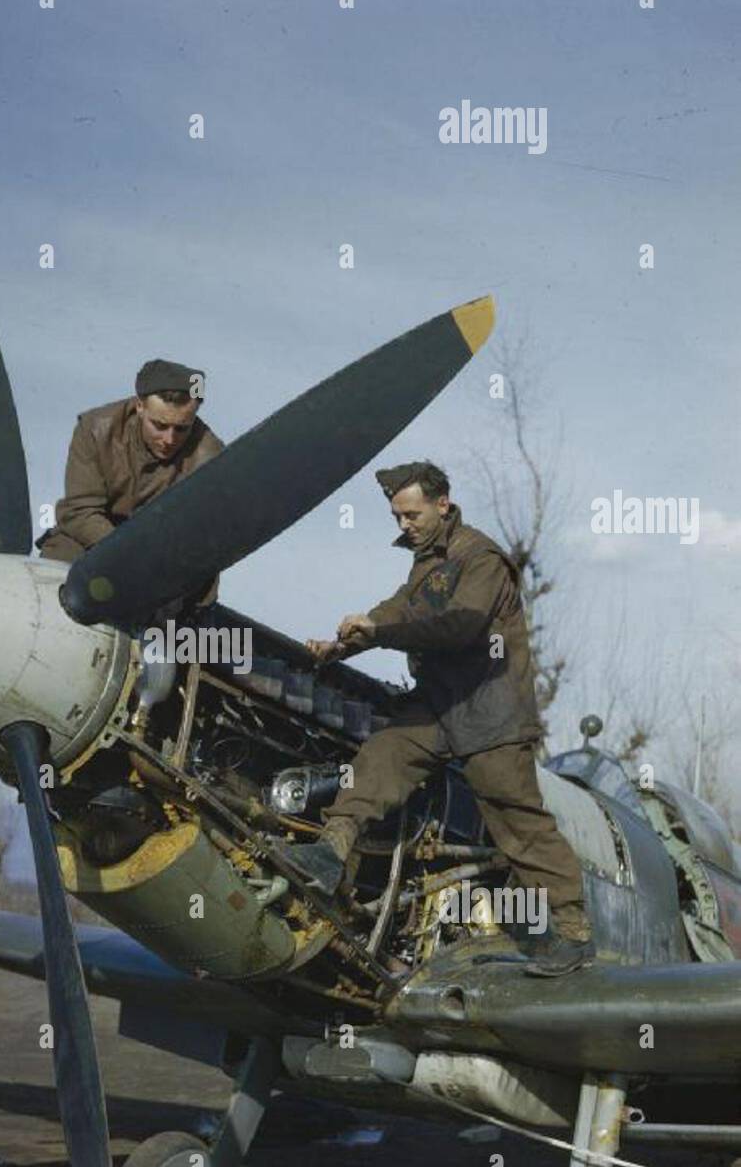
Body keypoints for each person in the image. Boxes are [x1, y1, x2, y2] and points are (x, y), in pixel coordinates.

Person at [282, 460, 594, 978]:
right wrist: (340, 646)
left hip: (490, 705)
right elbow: (396, 610)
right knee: (382, 756)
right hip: (439, 701)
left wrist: (379, 633)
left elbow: (459, 628)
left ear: (442, 504)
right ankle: (330, 850)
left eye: (411, 514)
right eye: (396, 516)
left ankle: (572, 931)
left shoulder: (481, 558)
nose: (403, 524)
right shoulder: (426, 562)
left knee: (515, 819)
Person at [37, 358, 223, 565]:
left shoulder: (210, 457)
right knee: (59, 566)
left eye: (181, 428)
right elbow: (81, 510)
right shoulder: (95, 430)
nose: (169, 439)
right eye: (160, 425)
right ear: (140, 406)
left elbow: (202, 532)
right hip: (90, 536)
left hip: (161, 551)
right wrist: (128, 552)